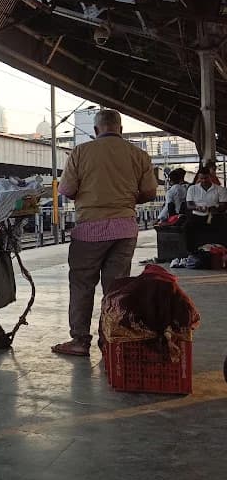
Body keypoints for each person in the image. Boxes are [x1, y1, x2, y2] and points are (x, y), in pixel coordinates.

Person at [51, 109, 157, 357]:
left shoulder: (81, 152)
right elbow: (150, 193)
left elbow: (66, 189)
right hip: (124, 228)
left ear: (97, 130)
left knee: (82, 285)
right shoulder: (138, 154)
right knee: (117, 288)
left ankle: (79, 341)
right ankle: (111, 340)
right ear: (120, 128)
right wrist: (127, 199)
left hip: (89, 228)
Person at [184, 166, 227, 254]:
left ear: (210, 177)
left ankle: (222, 251)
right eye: (201, 178)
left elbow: (223, 205)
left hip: (214, 216)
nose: (204, 180)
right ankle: (192, 252)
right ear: (199, 178)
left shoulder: (220, 189)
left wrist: (213, 208)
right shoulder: (192, 189)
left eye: (206, 178)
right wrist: (197, 207)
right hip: (196, 216)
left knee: (224, 227)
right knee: (187, 227)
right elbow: (189, 205)